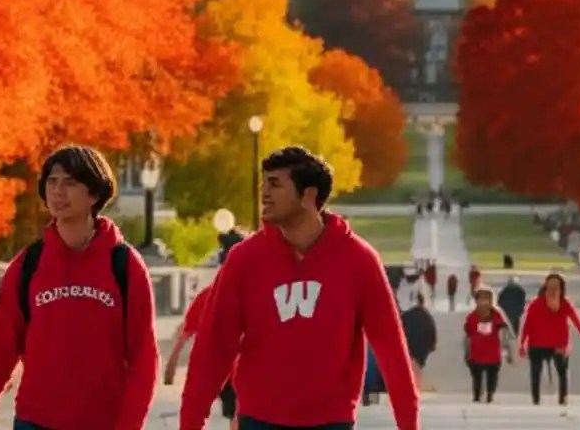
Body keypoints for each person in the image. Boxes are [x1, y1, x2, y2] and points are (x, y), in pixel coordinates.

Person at [180, 146, 419, 430]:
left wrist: (408, 423)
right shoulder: (245, 260)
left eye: (275, 184)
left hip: (331, 420)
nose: (264, 192)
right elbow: (214, 347)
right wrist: (191, 421)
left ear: (309, 195)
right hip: (259, 419)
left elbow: (391, 346)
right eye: (263, 183)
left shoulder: (359, 261)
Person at [0, 144, 159, 430]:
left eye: (70, 183)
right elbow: (1, 349)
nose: (58, 191)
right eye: (52, 182)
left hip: (102, 422)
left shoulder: (124, 265)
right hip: (36, 421)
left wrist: (129, 425)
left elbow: (144, 358)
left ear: (94, 194)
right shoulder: (28, 265)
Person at [164, 272, 238, 430]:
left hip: (231, 372)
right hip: (228, 371)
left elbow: (183, 335)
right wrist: (171, 367)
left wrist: (170, 369)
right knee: (237, 412)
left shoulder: (208, 295)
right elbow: (185, 333)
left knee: (237, 412)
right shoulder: (209, 296)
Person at [519, 272, 580, 406]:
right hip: (537, 343)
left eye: (556, 286)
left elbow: (577, 321)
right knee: (536, 372)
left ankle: (562, 398)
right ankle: (536, 399)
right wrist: (522, 344)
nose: (553, 289)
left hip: (558, 344)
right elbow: (527, 325)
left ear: (561, 288)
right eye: (550, 286)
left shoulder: (565, 304)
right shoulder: (536, 304)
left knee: (562, 370)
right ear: (545, 287)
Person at [463, 286, 514, 403]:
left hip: (493, 353)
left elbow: (505, 335)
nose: (484, 303)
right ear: (476, 301)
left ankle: (490, 394)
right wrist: (466, 352)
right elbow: (467, 336)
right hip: (476, 353)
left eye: (487, 300)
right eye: (481, 300)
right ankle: (477, 394)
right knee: (477, 377)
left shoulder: (497, 316)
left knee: (492, 377)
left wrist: (508, 352)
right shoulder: (472, 317)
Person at [400, 293, 438, 388]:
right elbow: (431, 329)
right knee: (417, 366)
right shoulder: (426, 315)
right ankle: (415, 386)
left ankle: (412, 386)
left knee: (412, 365)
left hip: (411, 343)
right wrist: (432, 344)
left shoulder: (407, 315)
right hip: (422, 344)